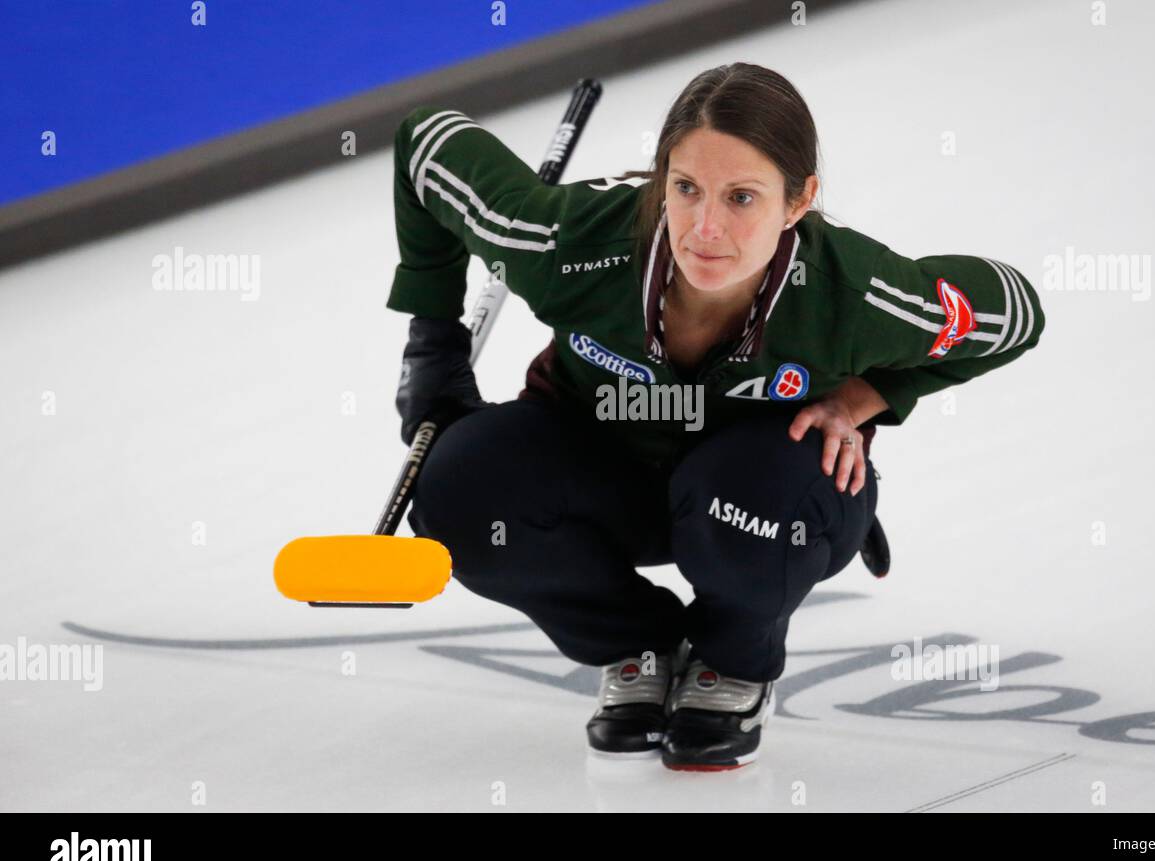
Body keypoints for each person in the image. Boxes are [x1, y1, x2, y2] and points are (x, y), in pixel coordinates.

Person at [387, 62, 1045, 771]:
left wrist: (857, 401)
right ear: (661, 176)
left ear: (799, 202)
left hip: (761, 495)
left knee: (745, 501)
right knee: (459, 490)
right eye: (686, 188)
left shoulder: (848, 293)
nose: (705, 228)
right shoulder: (565, 244)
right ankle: (638, 644)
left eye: (742, 198)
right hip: (606, 475)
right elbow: (426, 143)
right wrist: (433, 345)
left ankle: (733, 659)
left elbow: (1015, 312)